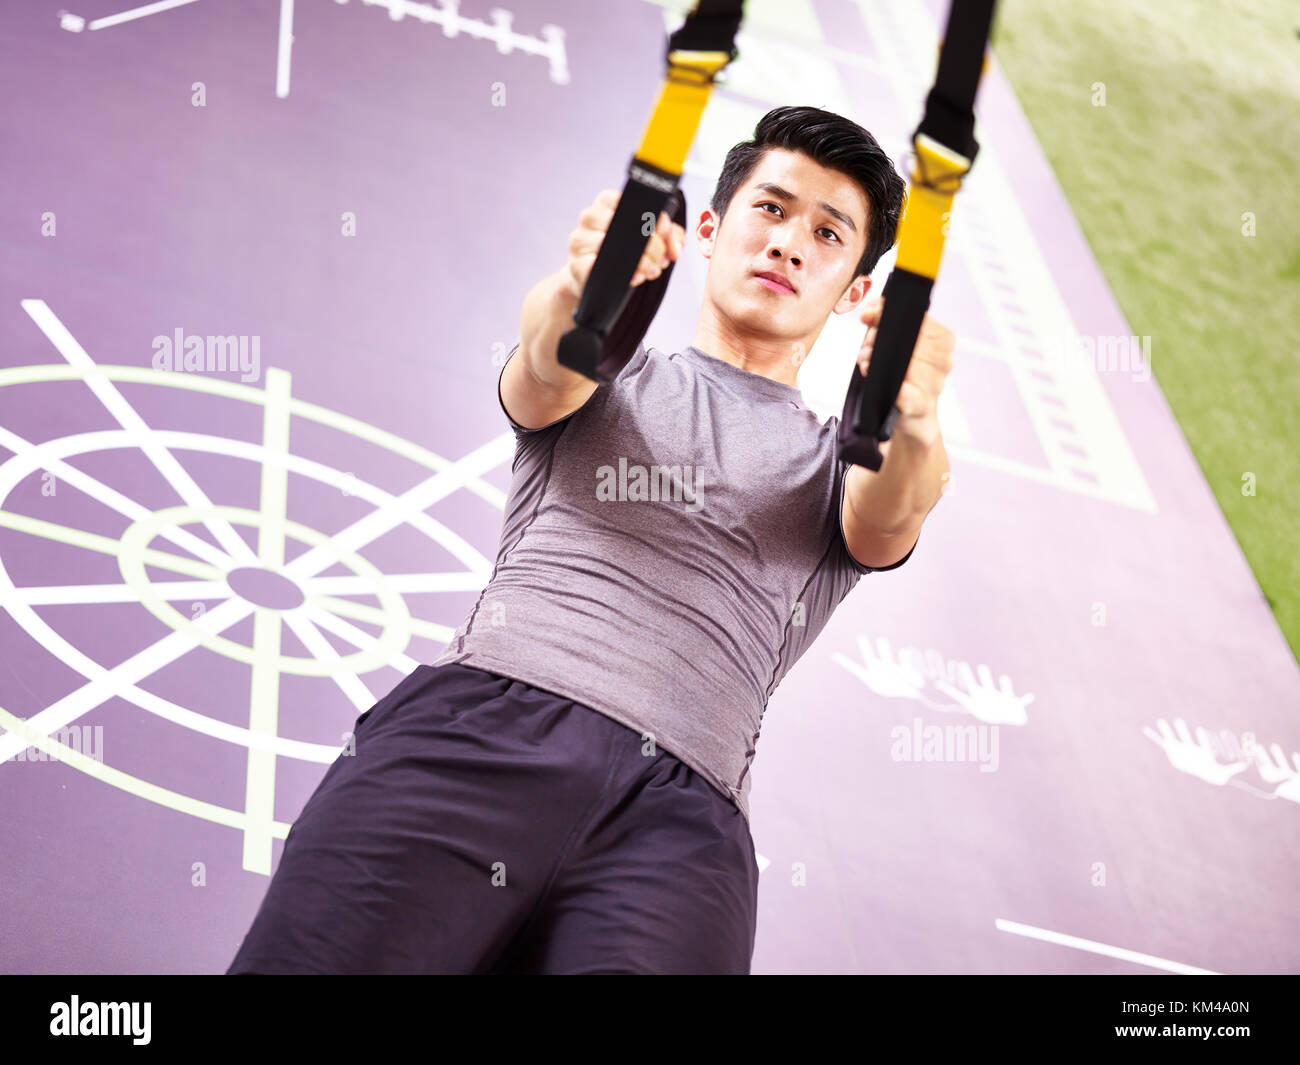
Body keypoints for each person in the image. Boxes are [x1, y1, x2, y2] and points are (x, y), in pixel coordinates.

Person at [226, 105, 956, 975]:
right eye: (771, 208)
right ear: (712, 230)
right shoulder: (611, 365)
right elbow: (546, 356)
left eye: (828, 233)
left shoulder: (847, 460)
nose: (790, 243)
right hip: (475, 738)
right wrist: (582, 289)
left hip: (679, 833)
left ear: (858, 292)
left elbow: (896, 509)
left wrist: (913, 416)